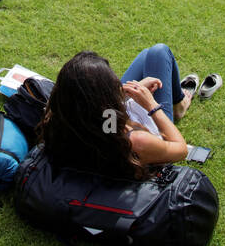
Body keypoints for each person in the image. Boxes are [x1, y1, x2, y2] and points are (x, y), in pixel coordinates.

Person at [36, 49, 193, 178]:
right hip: (139, 144)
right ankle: (180, 105)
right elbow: (181, 150)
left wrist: (123, 93)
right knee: (159, 52)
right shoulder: (136, 141)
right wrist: (151, 105)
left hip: (98, 146)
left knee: (150, 54)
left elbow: (103, 118)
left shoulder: (59, 117)